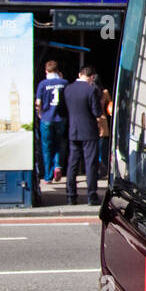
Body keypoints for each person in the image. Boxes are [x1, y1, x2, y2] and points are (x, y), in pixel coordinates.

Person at [62, 65, 103, 206]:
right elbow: (97, 112)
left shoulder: (68, 89)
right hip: (89, 131)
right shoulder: (91, 90)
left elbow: (64, 109)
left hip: (73, 130)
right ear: (91, 77)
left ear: (79, 74)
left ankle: (70, 196)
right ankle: (91, 196)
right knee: (90, 164)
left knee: (72, 164)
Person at [34, 60, 68, 184]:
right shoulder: (64, 83)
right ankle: (58, 166)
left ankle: (48, 177)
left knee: (47, 147)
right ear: (58, 71)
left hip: (47, 119)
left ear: (46, 71)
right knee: (59, 144)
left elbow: (38, 103)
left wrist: (40, 115)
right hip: (61, 118)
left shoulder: (42, 84)